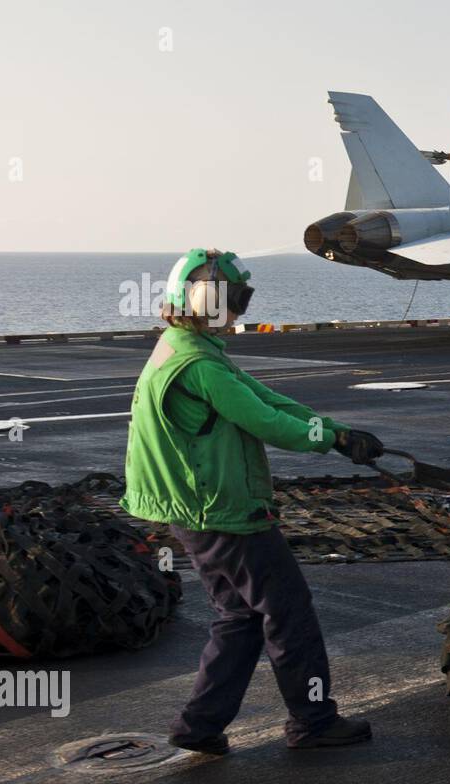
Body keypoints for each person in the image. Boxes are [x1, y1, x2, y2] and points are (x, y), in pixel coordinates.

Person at [122, 248, 384, 754]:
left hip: (199, 513)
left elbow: (266, 399)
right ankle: (312, 721)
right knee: (290, 614)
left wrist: (338, 430)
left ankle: (197, 727)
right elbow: (266, 422)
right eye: (234, 299)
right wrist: (328, 440)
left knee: (240, 617)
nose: (240, 310)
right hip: (224, 513)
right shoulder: (198, 364)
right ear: (204, 298)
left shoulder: (185, 348)